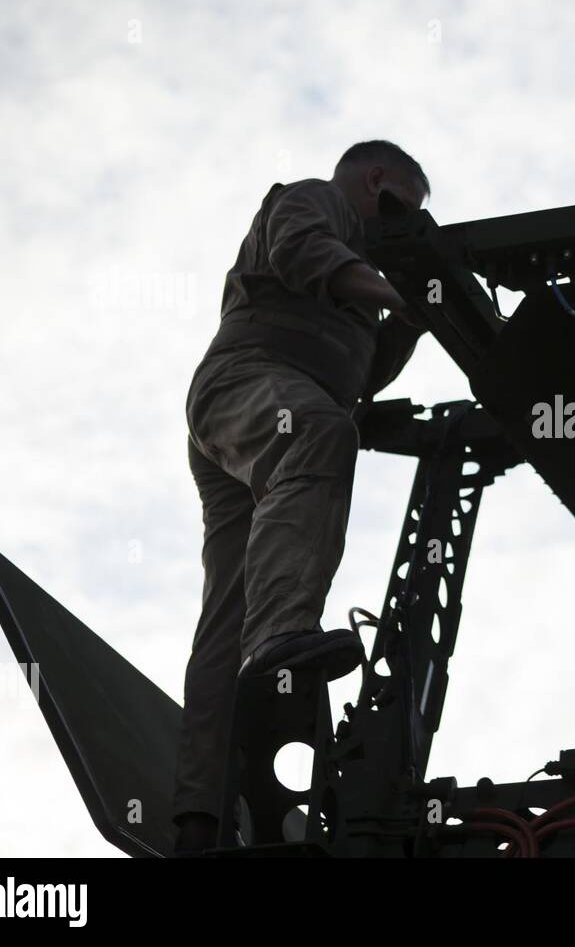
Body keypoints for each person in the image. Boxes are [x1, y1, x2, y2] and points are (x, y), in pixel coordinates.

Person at [171, 140, 430, 852]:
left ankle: (199, 815)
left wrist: (414, 313)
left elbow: (364, 372)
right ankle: (283, 637)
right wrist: (395, 290)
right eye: (403, 209)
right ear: (378, 181)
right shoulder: (318, 200)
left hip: (250, 418)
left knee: (227, 611)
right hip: (248, 386)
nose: (399, 229)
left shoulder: (359, 276)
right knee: (319, 435)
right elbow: (299, 250)